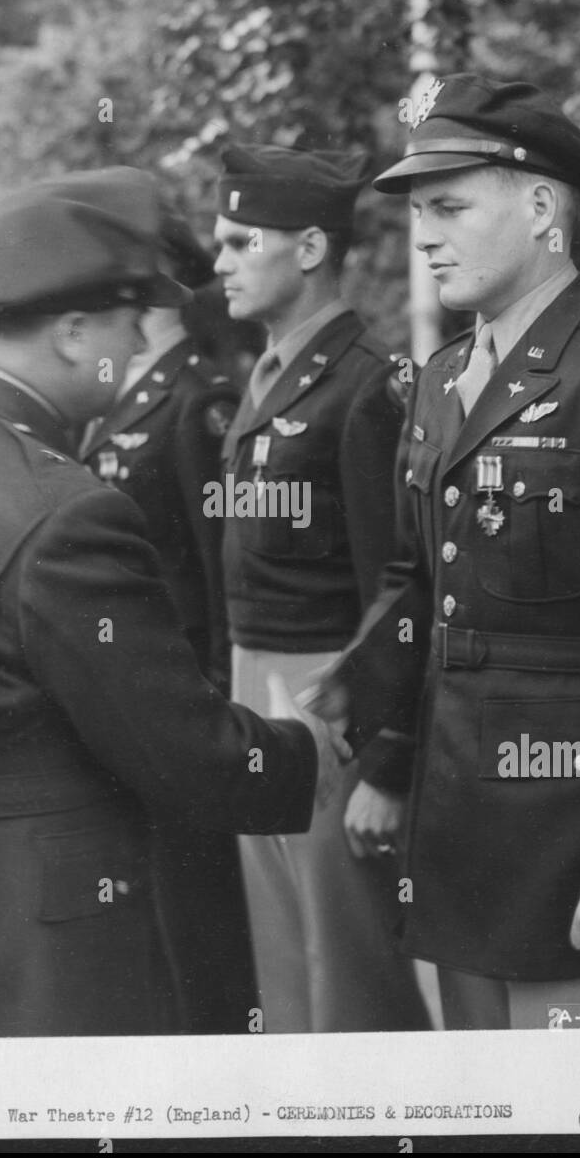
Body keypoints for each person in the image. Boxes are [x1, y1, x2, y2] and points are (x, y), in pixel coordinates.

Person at [0, 171, 340, 1039]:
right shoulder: (61, 513)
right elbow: (188, 756)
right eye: (124, 318)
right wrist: (315, 750)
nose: (143, 336)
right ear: (69, 335)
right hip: (29, 935)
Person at [310, 74, 580, 1030]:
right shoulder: (445, 378)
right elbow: (422, 591)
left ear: (539, 209)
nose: (422, 236)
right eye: (416, 213)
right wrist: (387, 758)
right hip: (461, 859)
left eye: (448, 207)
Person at [213, 142, 430, 1034]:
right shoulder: (265, 379)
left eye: (238, 242)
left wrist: (386, 755)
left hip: (328, 698)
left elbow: (404, 582)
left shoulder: (364, 386)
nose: (219, 262)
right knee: (283, 962)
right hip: (253, 688)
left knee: (347, 976)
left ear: (307, 248)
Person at [74, 187, 255, 1033]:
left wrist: (218, 691)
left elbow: (221, 566)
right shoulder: (119, 394)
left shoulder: (200, 399)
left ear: (159, 289)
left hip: (184, 681)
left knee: (197, 897)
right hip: (127, 681)